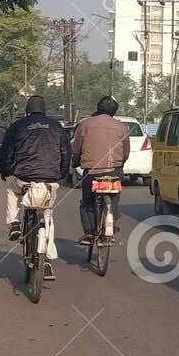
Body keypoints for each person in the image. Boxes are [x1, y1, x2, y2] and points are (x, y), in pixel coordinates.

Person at [0, 95, 72, 247]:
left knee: (12, 192)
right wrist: (62, 173)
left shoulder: (17, 126)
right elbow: (66, 152)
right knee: (47, 213)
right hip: (50, 178)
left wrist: (5, 170)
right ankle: (48, 258)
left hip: (24, 177)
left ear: (27, 110)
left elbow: (6, 152)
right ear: (44, 109)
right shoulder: (57, 126)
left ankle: (14, 223)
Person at [70, 96, 131, 246]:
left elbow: (76, 148)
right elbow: (125, 152)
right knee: (114, 198)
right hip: (114, 171)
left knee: (87, 202)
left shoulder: (85, 124)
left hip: (91, 172)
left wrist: (75, 162)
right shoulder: (121, 126)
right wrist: (119, 165)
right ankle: (111, 218)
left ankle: (89, 233)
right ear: (114, 111)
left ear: (97, 108)